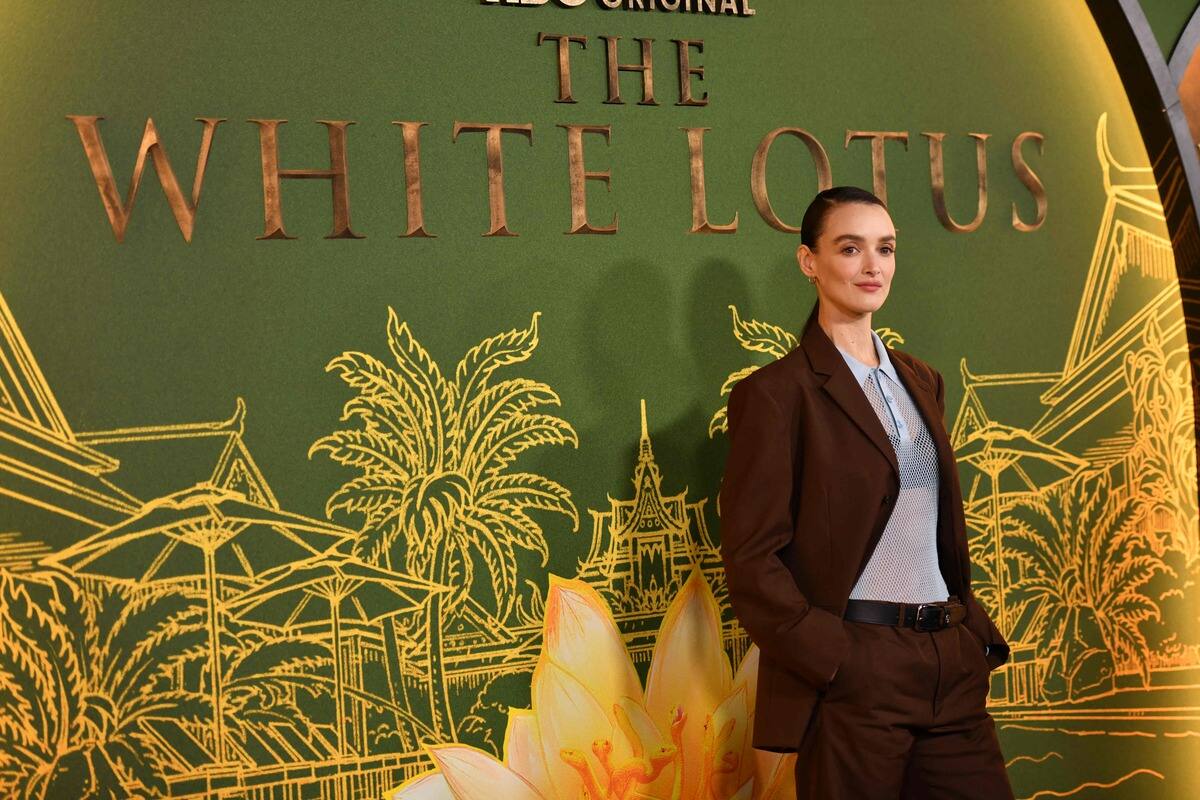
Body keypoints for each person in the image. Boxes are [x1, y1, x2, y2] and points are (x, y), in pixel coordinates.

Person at [718, 186, 1014, 800]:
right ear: (810, 262)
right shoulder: (777, 395)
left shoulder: (921, 380)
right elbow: (751, 560)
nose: (872, 266)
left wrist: (968, 633)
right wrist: (834, 656)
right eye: (850, 249)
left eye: (885, 248)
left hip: (950, 663)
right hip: (857, 670)